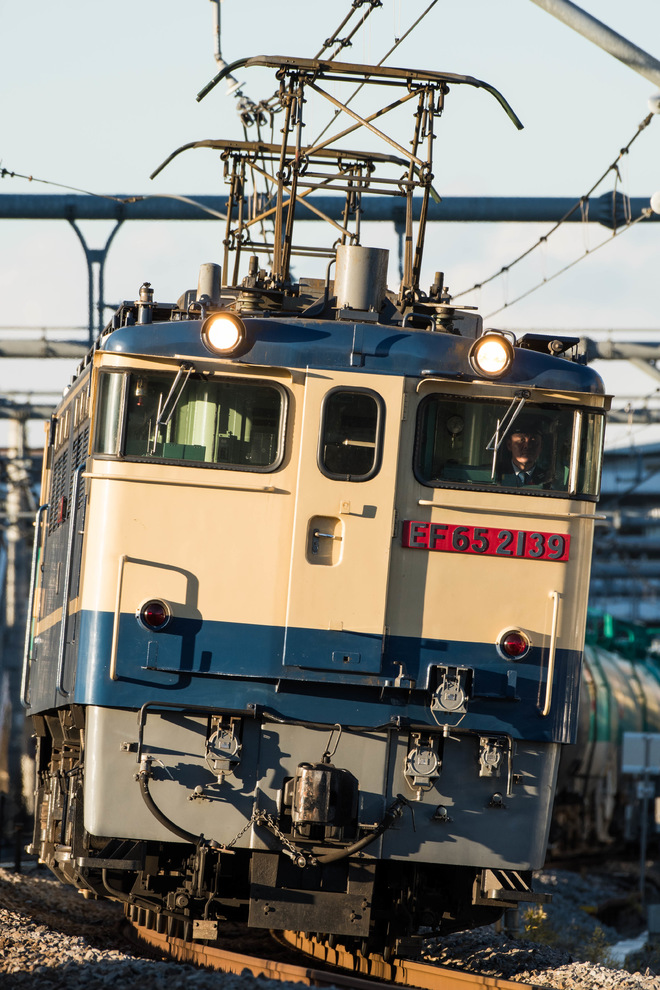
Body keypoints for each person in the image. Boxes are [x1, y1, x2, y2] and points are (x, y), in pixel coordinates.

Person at [499, 418, 549, 487]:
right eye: (521, 440)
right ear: (509, 445)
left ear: (541, 447)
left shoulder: (548, 479)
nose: (527, 446)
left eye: (533, 440)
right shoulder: (495, 474)